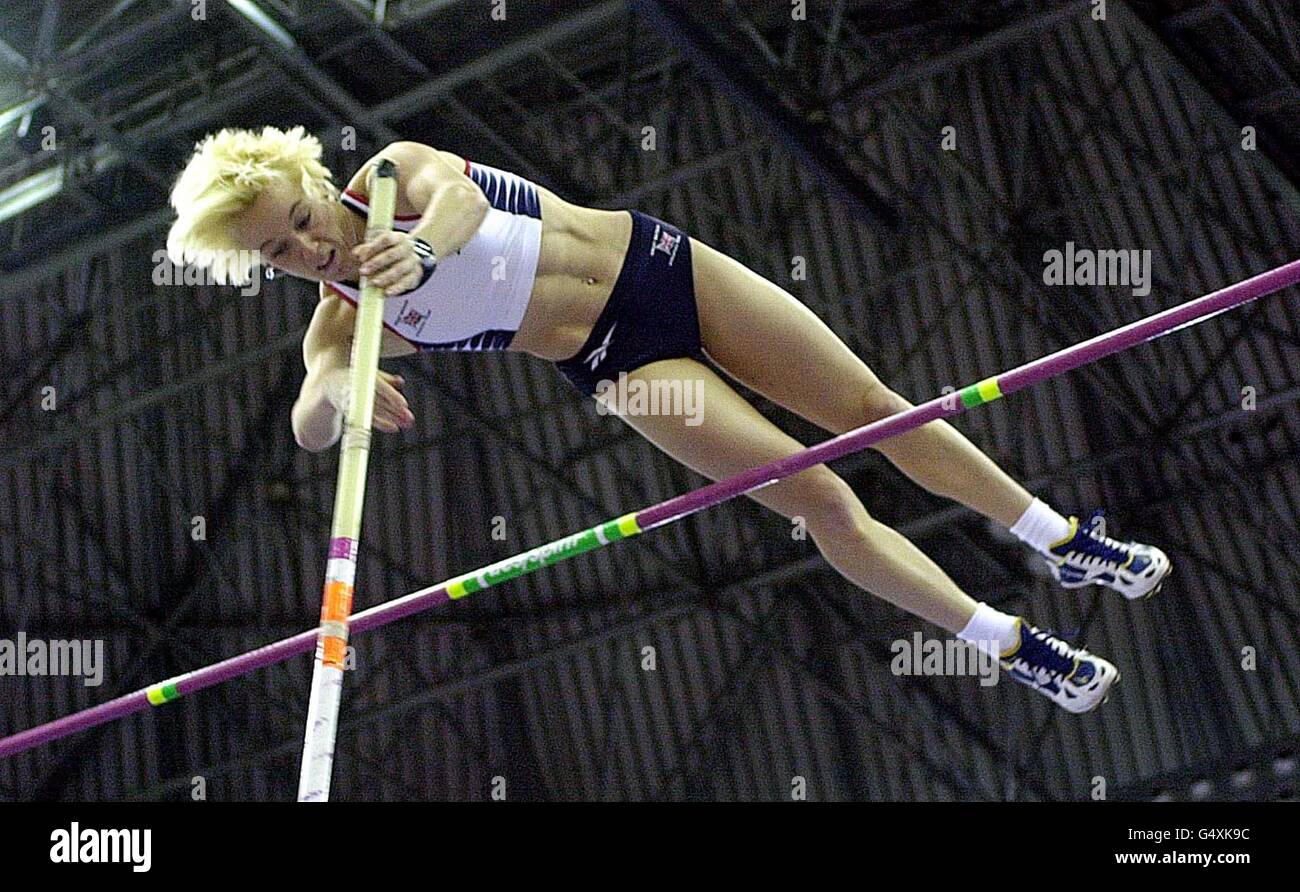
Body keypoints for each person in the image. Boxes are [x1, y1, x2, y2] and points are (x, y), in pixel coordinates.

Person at [166, 125, 1172, 712]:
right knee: (819, 497)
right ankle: (1006, 642)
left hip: (662, 266)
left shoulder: (393, 175)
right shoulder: (344, 322)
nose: (307, 250)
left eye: (300, 221)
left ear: (314, 184)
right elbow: (307, 417)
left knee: (873, 410)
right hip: (621, 364)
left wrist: (421, 252)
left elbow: (460, 205)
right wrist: (333, 393)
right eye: (277, 253)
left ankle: (1060, 538)